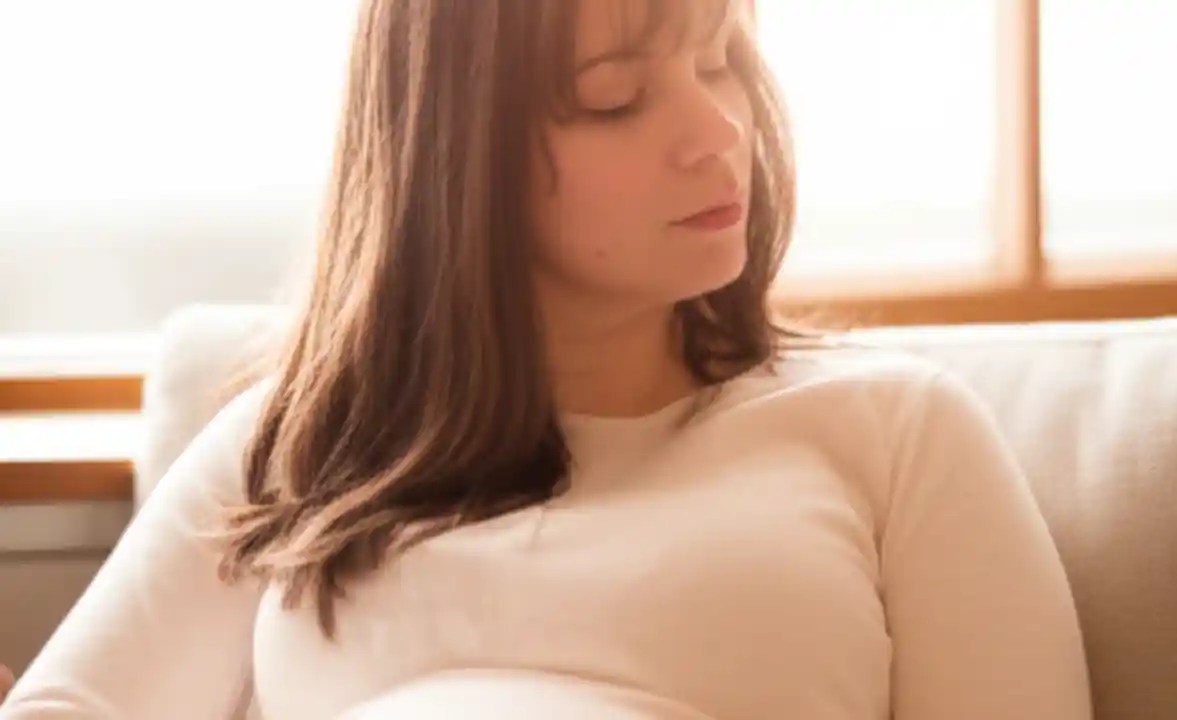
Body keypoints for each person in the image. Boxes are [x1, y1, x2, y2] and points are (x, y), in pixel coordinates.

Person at [0, 0, 1093, 718]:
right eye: (618, 97)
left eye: (718, 61)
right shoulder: (301, 449)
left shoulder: (893, 432)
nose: (715, 132)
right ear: (459, 156)